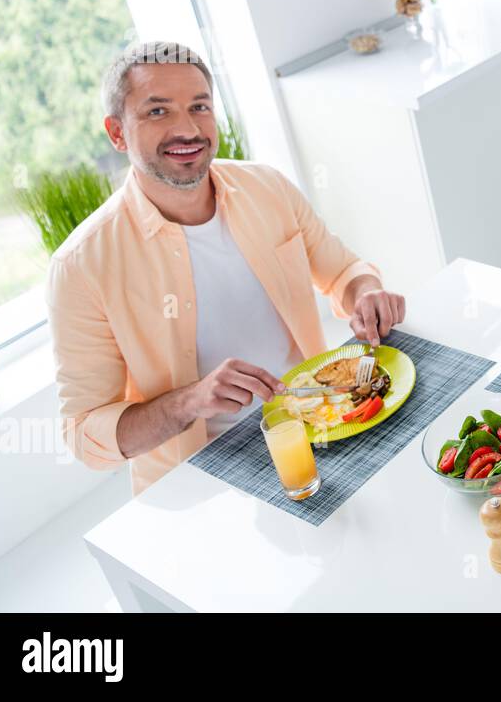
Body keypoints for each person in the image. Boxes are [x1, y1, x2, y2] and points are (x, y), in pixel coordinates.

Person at [48, 41, 405, 493]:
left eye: (199, 106)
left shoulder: (267, 187)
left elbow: (344, 272)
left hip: (323, 422)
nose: (186, 128)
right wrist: (190, 402)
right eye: (158, 112)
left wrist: (366, 292)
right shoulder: (80, 267)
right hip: (202, 477)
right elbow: (85, 435)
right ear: (117, 133)